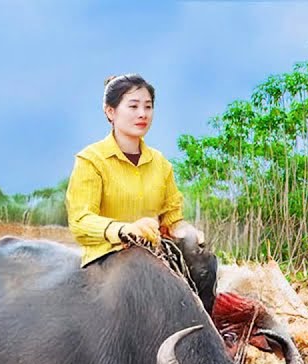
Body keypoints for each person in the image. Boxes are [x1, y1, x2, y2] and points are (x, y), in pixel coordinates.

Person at [64, 73, 206, 267]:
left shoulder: (160, 163)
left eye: (148, 106)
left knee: (206, 264)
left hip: (153, 259)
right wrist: (124, 230)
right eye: (133, 106)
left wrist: (186, 232)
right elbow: (81, 220)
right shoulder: (91, 160)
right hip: (106, 263)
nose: (142, 114)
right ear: (110, 112)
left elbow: (172, 219)